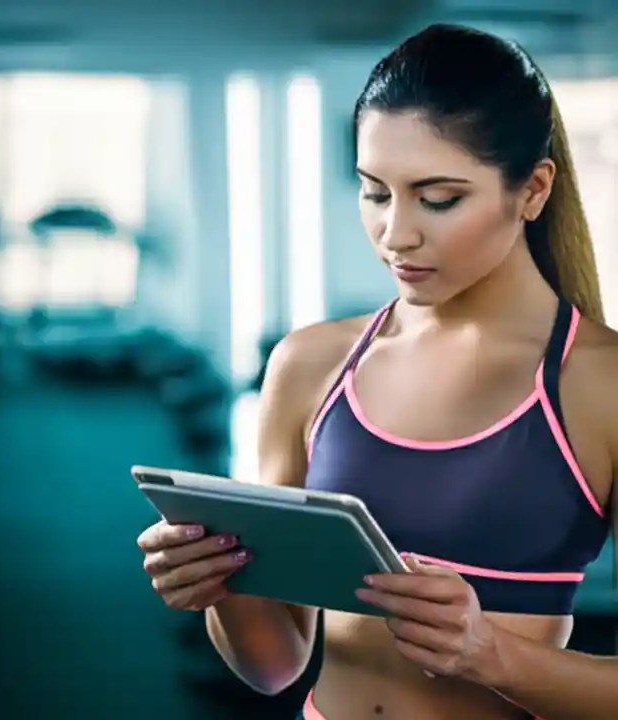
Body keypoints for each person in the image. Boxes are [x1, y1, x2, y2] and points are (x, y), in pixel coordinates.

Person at [138, 23, 618, 720]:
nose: (397, 233)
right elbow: (274, 665)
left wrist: (489, 651)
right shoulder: (309, 365)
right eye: (375, 192)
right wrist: (217, 584)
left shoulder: (598, 383)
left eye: (439, 197)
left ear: (533, 190)